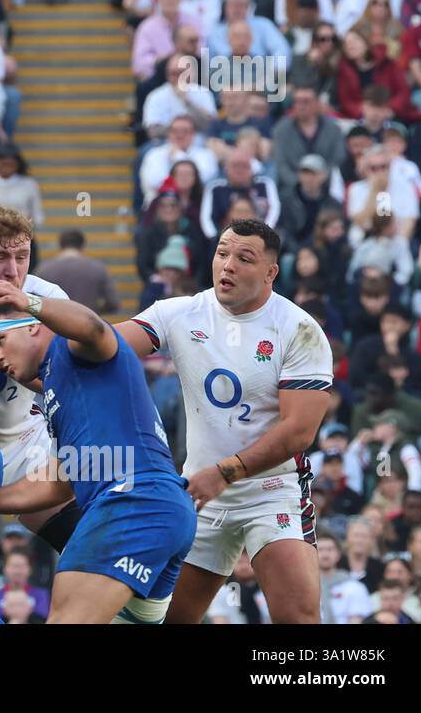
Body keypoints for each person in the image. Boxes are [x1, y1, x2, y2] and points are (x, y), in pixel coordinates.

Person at [115, 219, 333, 623]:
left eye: (244, 258)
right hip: (203, 491)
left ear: (271, 272)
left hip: (271, 490)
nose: (228, 265)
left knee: (298, 618)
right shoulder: (179, 313)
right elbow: (105, 347)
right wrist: (36, 334)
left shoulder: (299, 329)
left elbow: (299, 432)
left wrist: (226, 472)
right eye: (222, 253)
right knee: (168, 619)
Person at [0, 278, 196, 624]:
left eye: (0, 340)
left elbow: (93, 327)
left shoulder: (73, 349)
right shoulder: (64, 386)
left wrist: (30, 301)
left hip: (131, 504)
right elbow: (58, 483)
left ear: (34, 328)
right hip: (168, 511)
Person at [0, 205, 81, 550]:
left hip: (24, 445)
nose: (12, 270)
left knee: (86, 546)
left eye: (22, 255)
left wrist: (0, 358)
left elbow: (67, 389)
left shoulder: (49, 300)